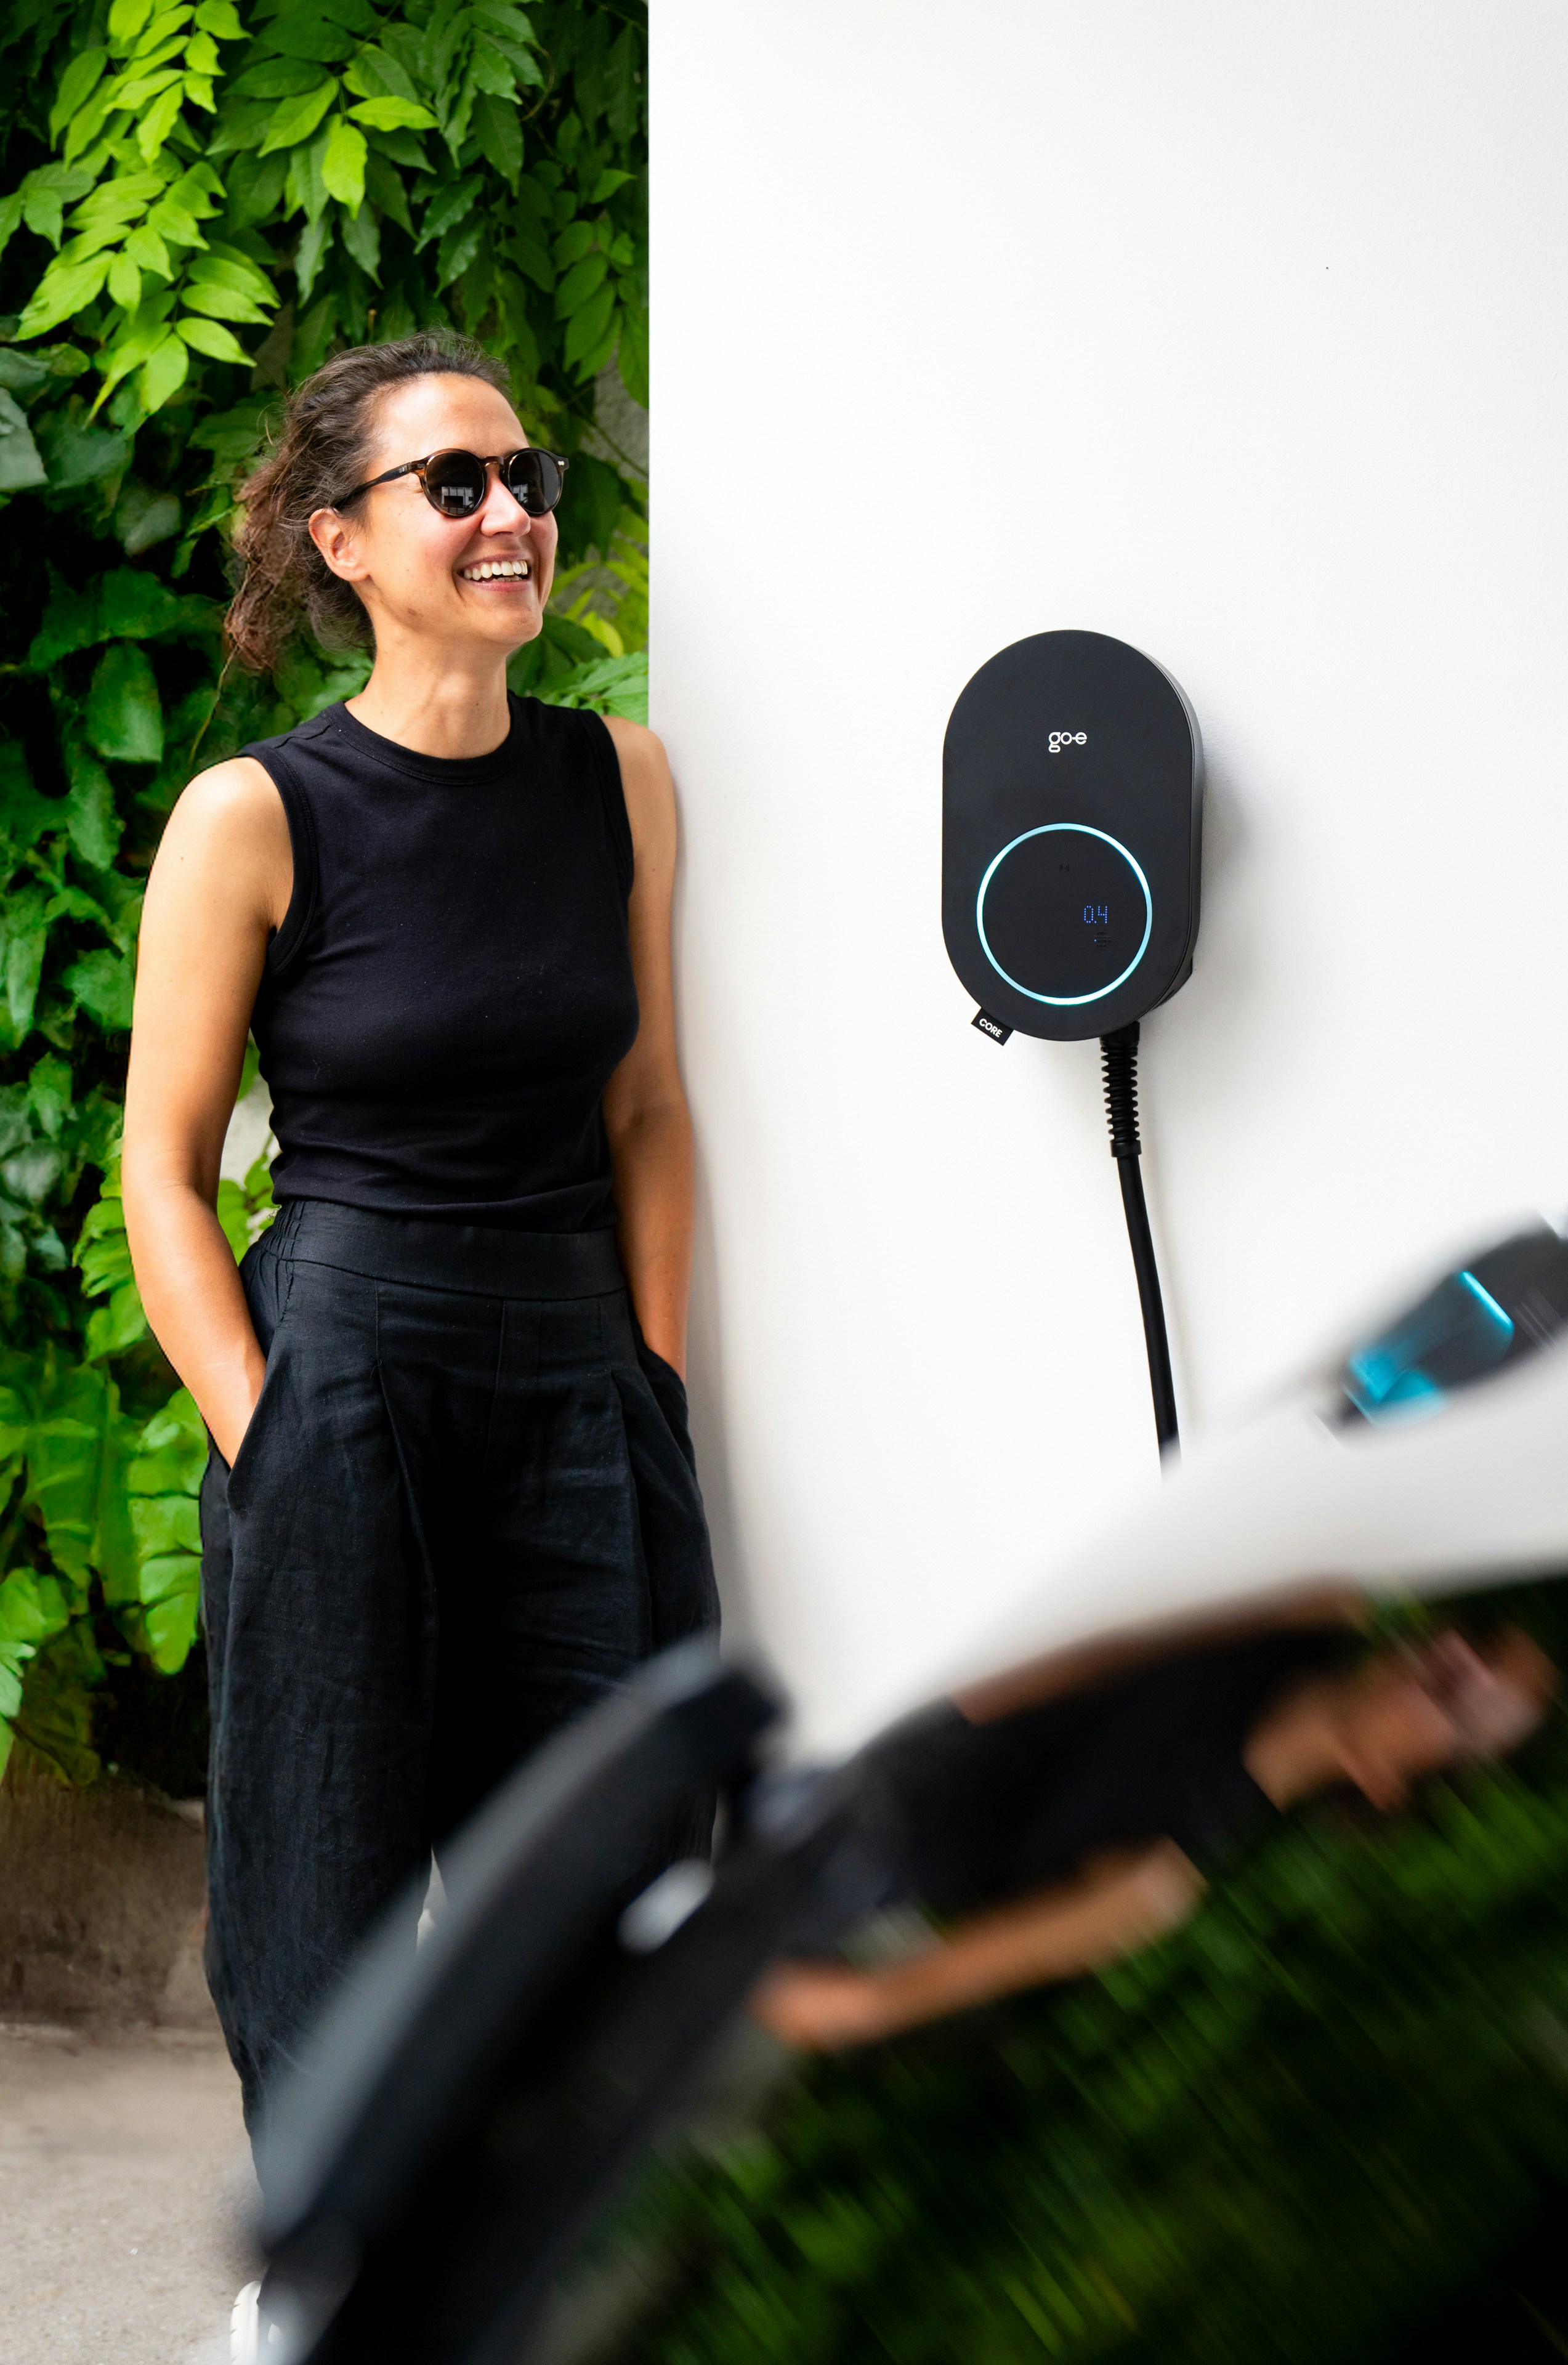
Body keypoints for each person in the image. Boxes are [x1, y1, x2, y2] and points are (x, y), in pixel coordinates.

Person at [121, 333, 717, 2140]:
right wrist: (265, 1428)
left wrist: (653, 1381)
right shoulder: (256, 815)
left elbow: (648, 1111)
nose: (508, 516)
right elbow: (162, 1167)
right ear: (340, 541)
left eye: (525, 479)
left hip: (573, 1376)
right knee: (327, 1891)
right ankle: (321, 2293)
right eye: (452, 487)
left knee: (604, 1879)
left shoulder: (618, 779)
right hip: (347, 1367)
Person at [752, 1617, 1556, 2048]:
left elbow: (856, 2006)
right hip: (823, 1684)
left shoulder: (1150, 1881)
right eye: (1472, 1639)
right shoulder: (1289, 1615)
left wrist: (699, 1946)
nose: (1447, 1652)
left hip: (785, 1866)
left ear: (1386, 1784)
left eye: (1456, 1697)